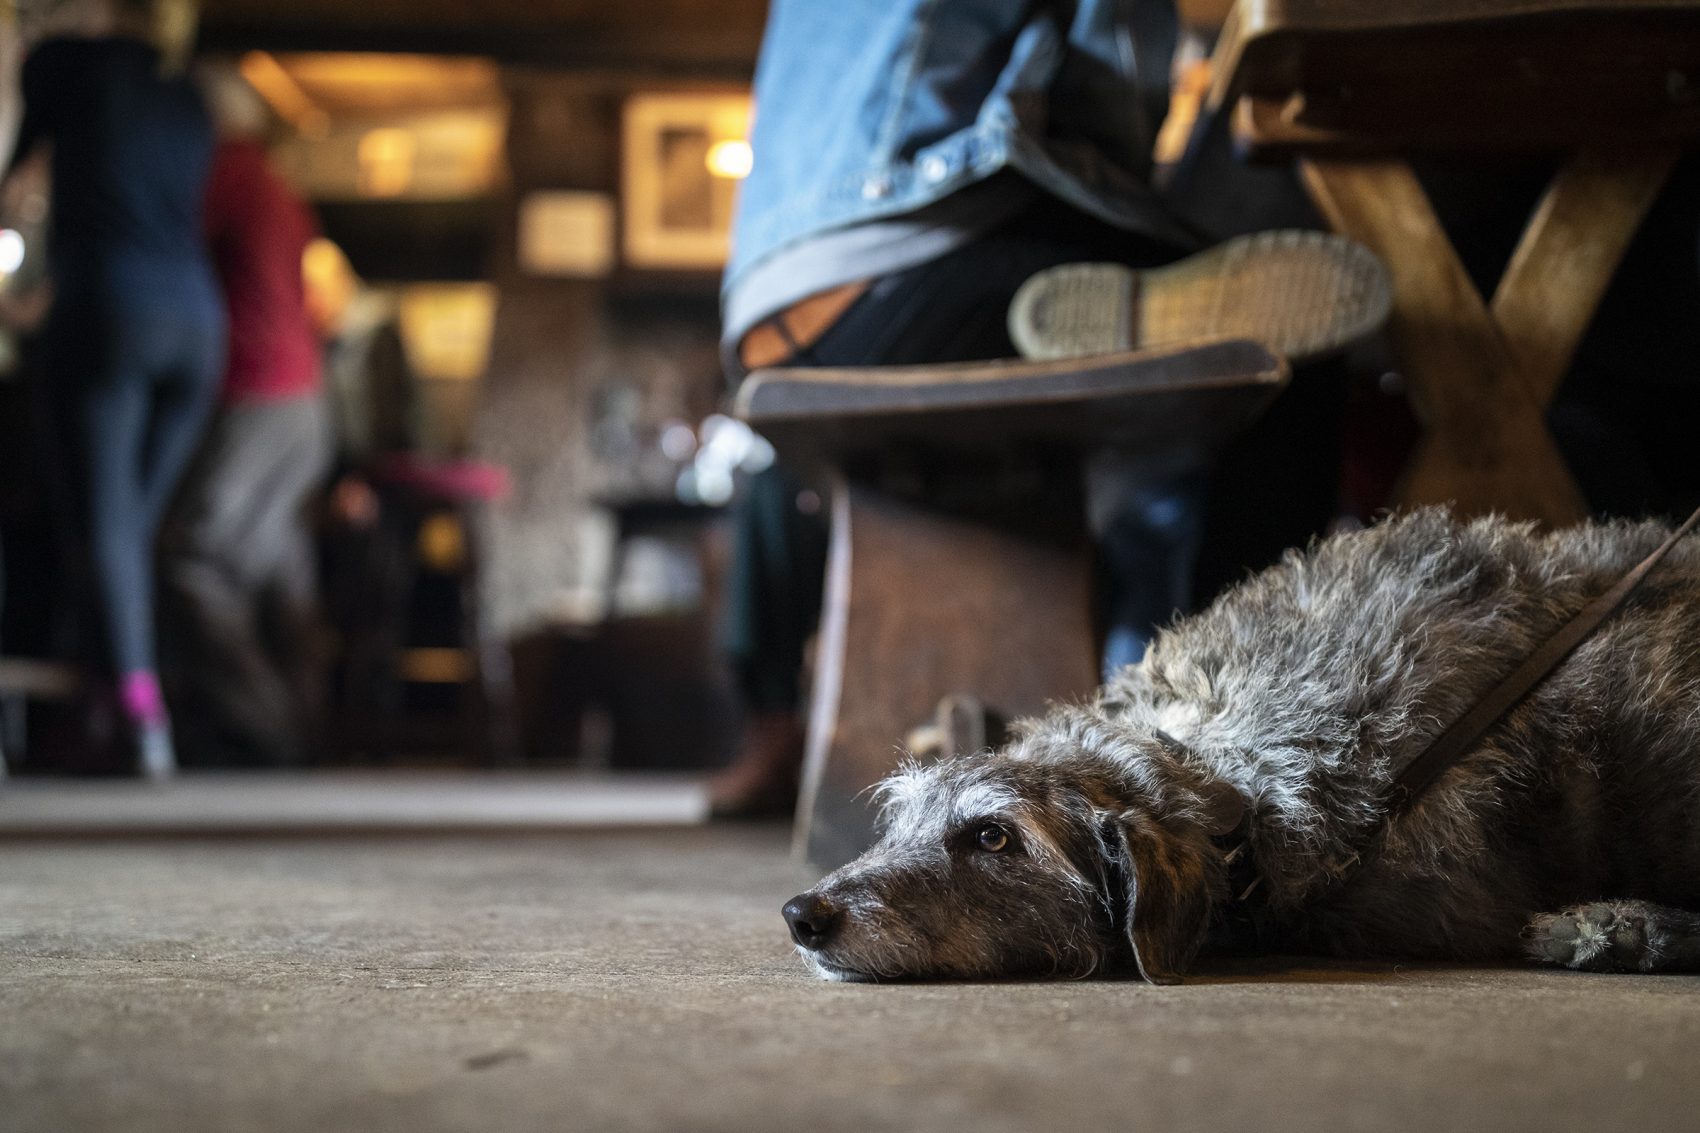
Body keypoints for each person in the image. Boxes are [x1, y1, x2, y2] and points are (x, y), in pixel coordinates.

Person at [709, 0, 1389, 816]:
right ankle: (1231, 737)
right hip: (928, 246)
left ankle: (780, 729)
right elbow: (1117, 61)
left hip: (776, 312)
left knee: (779, 491)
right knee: (1280, 358)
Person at [3, 0, 224, 777]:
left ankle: (137, 713)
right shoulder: (194, 95)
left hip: (109, 311)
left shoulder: (68, 62)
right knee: (126, 529)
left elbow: (14, 170)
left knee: (103, 527)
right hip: (198, 325)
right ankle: (106, 706)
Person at [159, 66, 333, 768]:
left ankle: (270, 728)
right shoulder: (280, 186)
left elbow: (169, 249)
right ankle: (306, 730)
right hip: (305, 400)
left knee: (193, 560)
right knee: (273, 574)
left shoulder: (224, 172)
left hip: (257, 391)